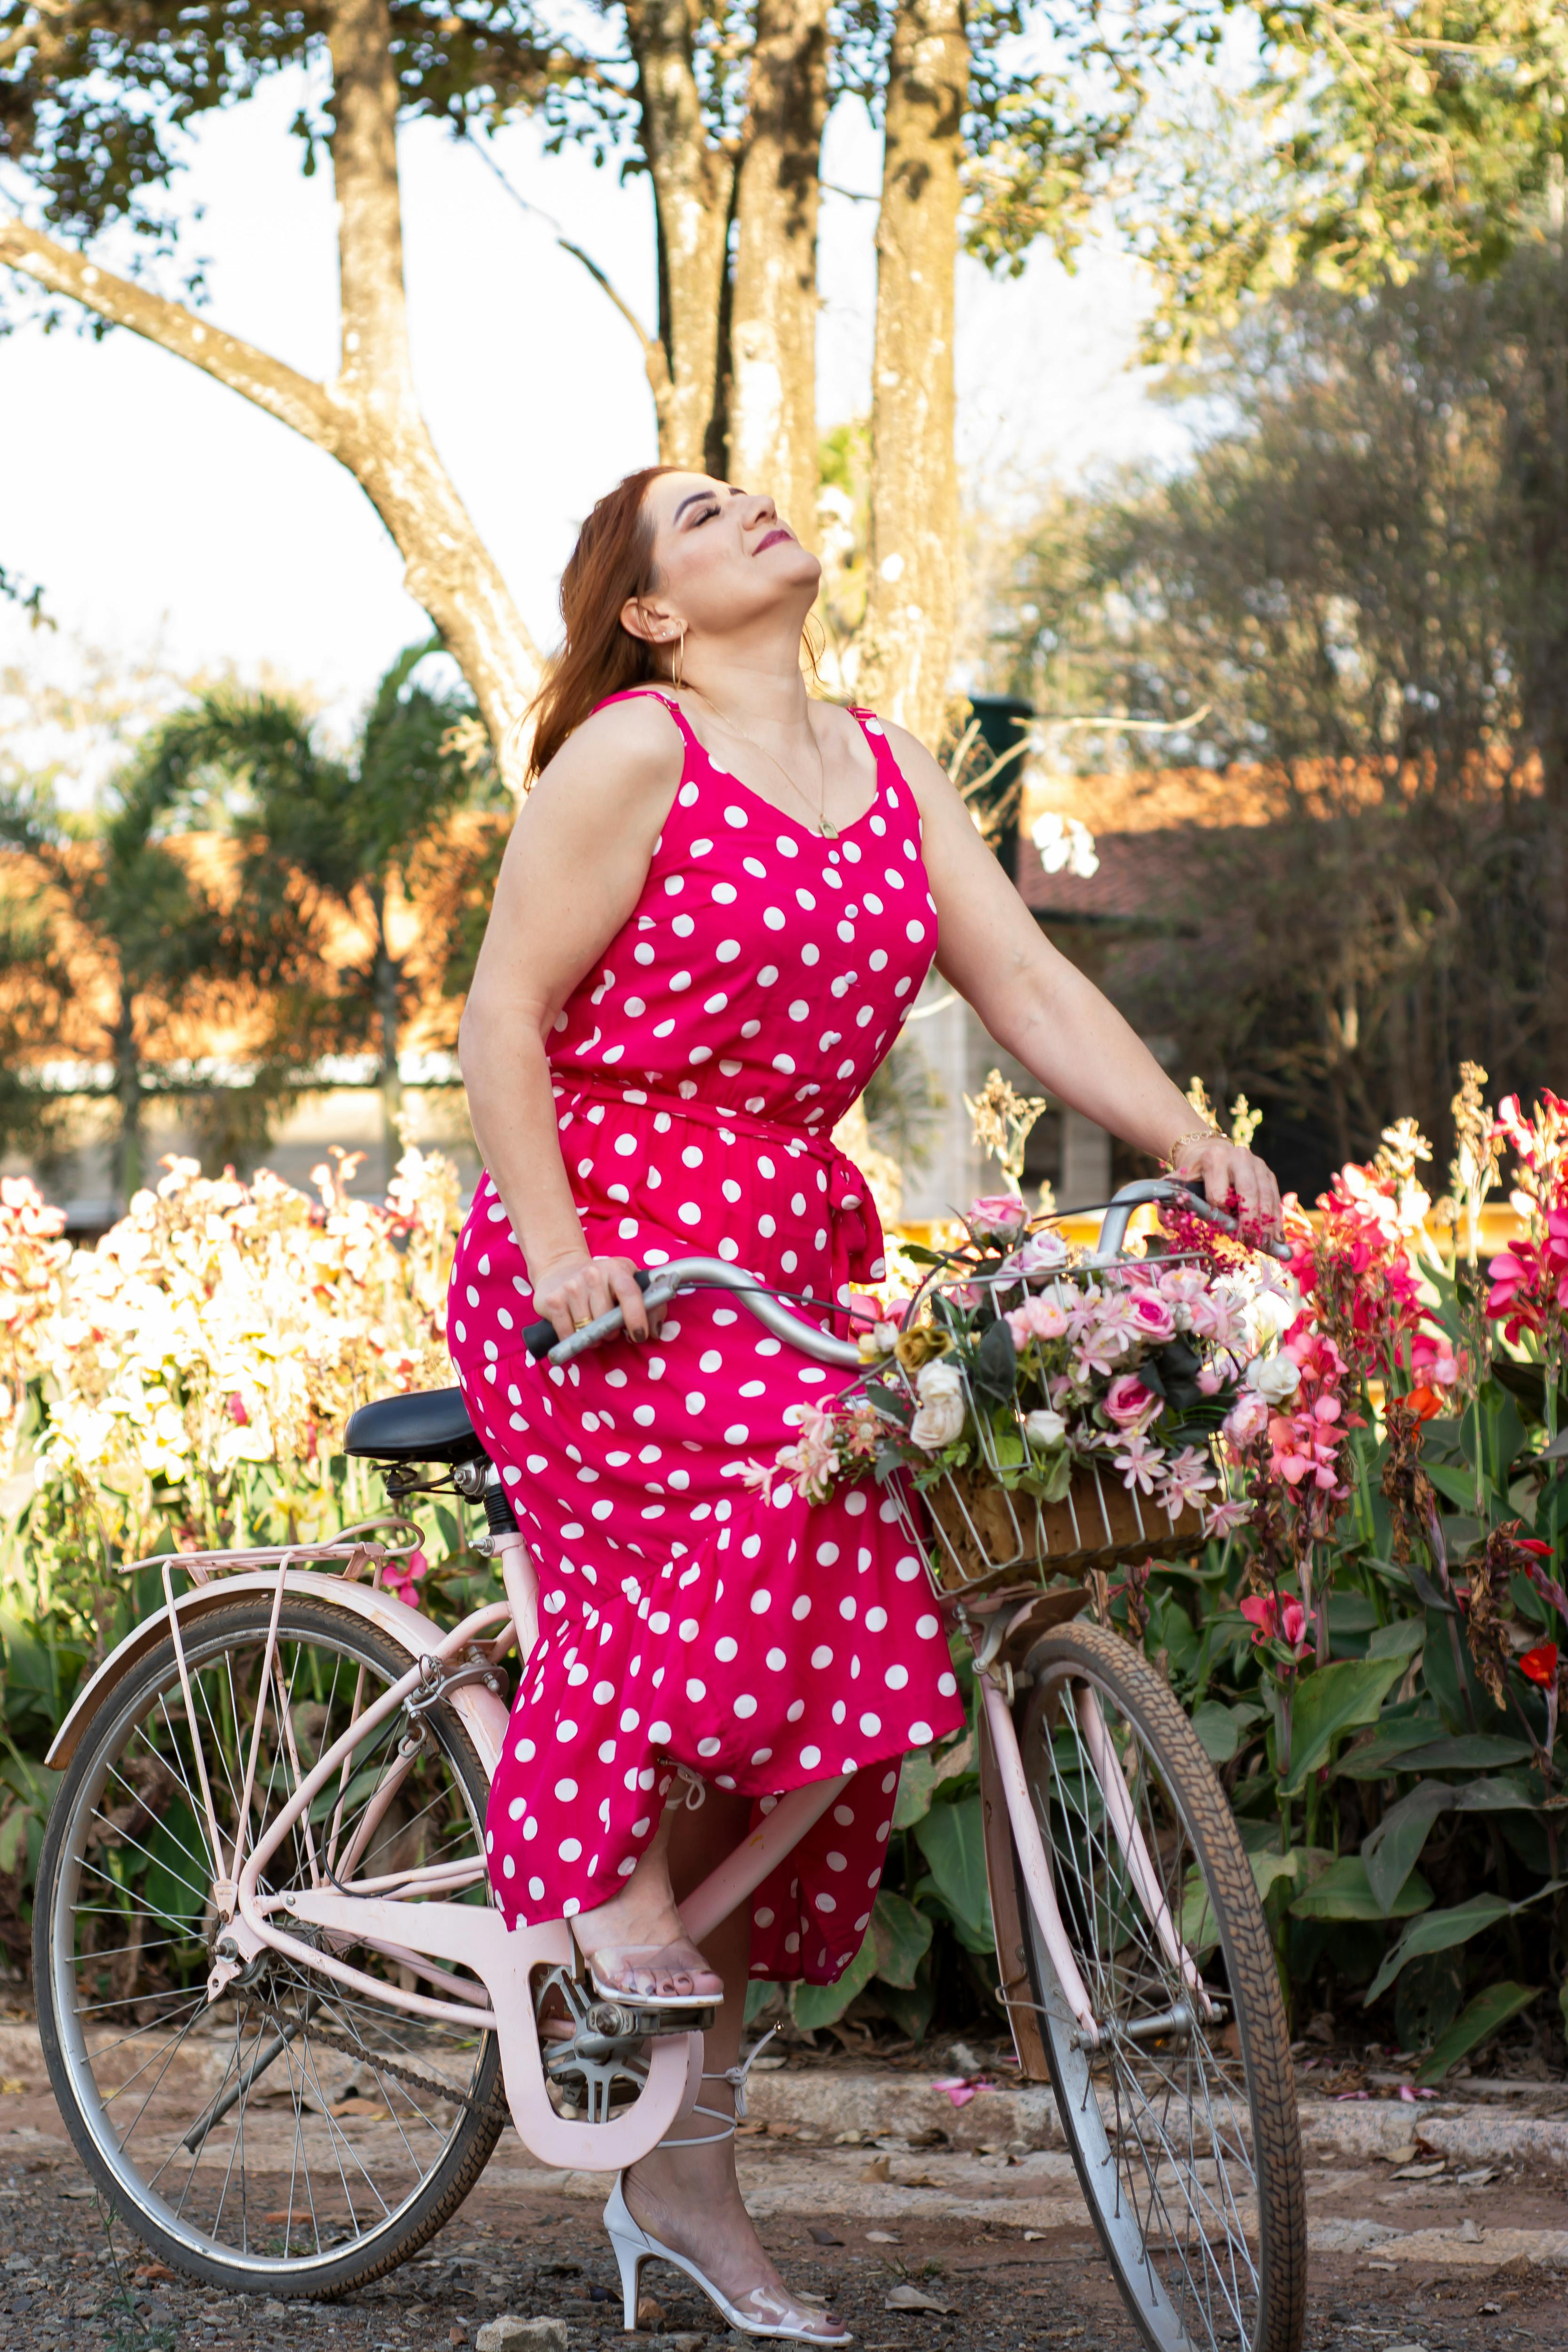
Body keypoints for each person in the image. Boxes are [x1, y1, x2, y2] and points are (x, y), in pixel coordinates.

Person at [450, 466, 1283, 2340]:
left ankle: (685, 2186)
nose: (747, 508)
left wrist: (1190, 1140)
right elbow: (507, 1014)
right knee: (795, 1482)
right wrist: (572, 1252)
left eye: (746, 491)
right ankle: (595, 1871)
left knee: (806, 1661)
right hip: (597, 1255)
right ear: (646, 608)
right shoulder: (630, 749)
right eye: (696, 512)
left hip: (779, 1247)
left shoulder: (894, 772)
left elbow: (1030, 984)